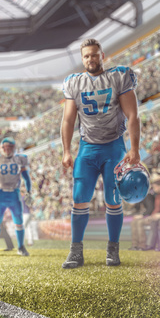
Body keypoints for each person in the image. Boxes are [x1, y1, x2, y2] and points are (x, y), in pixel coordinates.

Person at [60, 38, 141, 268]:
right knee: (79, 198)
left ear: (102, 55)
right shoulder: (75, 83)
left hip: (114, 146)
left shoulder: (118, 77)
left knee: (113, 200)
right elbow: (67, 119)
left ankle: (113, 249)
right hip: (88, 147)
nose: (90, 59)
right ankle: (76, 252)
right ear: (82, 58)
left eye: (94, 55)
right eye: (86, 56)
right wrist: (66, 150)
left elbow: (133, 115)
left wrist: (134, 148)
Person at [0, 137, 32, 256]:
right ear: (1, 148)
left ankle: (21, 246)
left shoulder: (21, 159)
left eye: (10, 147)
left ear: (14, 148)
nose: (7, 150)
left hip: (15, 193)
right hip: (1, 193)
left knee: (19, 222)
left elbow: (26, 176)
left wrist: (29, 191)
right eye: (5, 148)